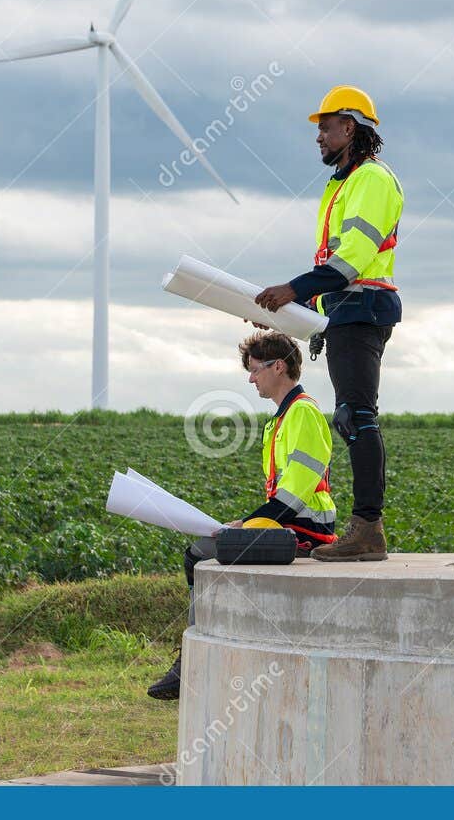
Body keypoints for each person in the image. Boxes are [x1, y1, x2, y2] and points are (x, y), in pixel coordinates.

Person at [256, 85, 403, 563]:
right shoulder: (340, 184)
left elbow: (354, 258)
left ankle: (367, 531)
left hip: (365, 307)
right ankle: (367, 530)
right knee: (351, 416)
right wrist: (283, 311)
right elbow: (334, 273)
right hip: (346, 310)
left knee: (357, 417)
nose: (317, 134)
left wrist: (292, 290)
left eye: (325, 125)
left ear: (351, 127)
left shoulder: (373, 181)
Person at [147, 331, 336, 701]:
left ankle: (190, 665)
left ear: (277, 367)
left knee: (200, 553)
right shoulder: (282, 418)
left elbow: (294, 493)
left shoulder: (303, 414)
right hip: (288, 526)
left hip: (305, 532)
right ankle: (195, 657)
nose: (250, 379)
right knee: (205, 549)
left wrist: (248, 525)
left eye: (254, 370)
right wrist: (248, 523)